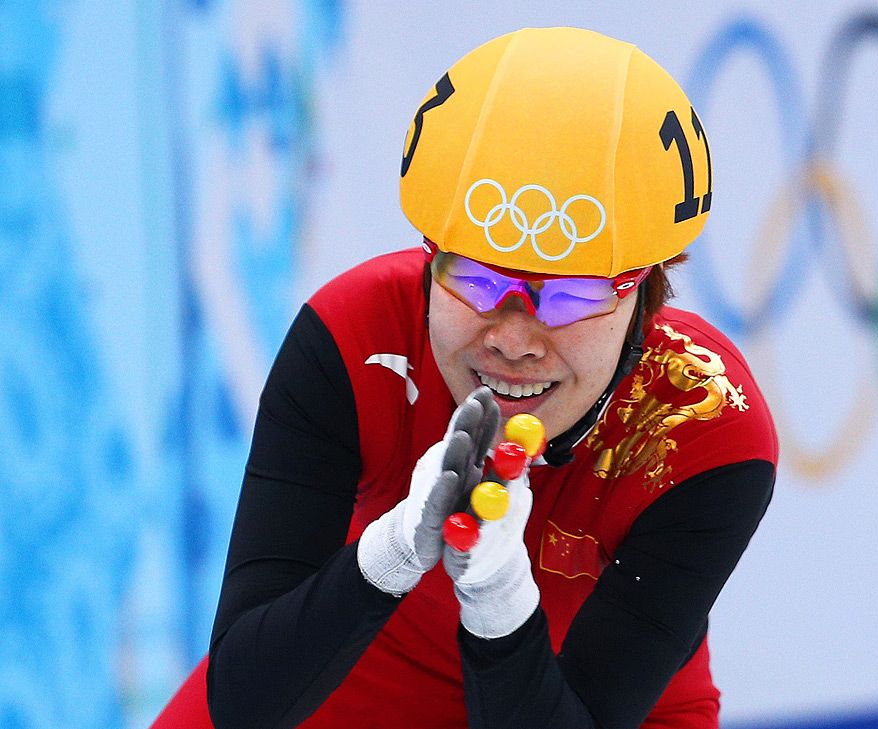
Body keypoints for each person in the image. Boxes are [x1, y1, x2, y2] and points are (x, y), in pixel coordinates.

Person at [152, 26, 777, 729]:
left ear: (646, 289)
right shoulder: (354, 339)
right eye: (475, 278)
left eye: (569, 295)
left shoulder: (700, 420)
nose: (511, 339)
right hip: (339, 681)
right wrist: (388, 555)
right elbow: (240, 702)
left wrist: (498, 595)